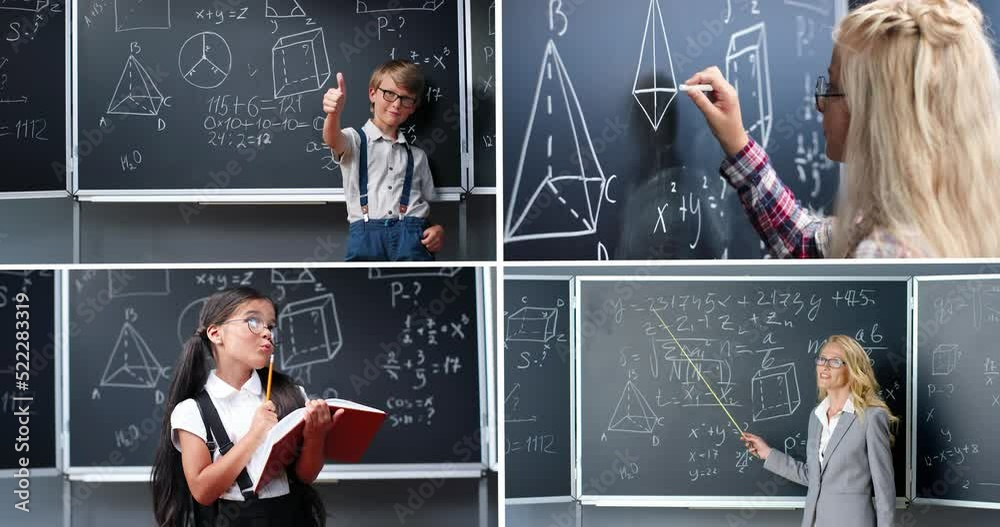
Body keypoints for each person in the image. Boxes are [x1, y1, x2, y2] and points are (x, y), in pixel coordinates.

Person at [686, 0, 1000, 257]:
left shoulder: (886, 254)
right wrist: (738, 144)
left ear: (876, 114)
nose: (820, 104)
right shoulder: (949, 217)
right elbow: (806, 245)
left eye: (834, 87)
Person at [151, 287, 341, 526]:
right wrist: (254, 435)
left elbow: (305, 475)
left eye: (270, 326)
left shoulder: (291, 395)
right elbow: (203, 490)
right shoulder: (192, 410)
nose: (267, 333)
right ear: (216, 333)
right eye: (253, 321)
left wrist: (316, 436)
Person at [741, 335, 897, 527]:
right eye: (822, 359)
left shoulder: (871, 417)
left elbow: (885, 490)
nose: (824, 366)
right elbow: (815, 477)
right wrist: (768, 454)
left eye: (835, 361)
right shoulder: (817, 416)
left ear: (853, 369)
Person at [322, 59, 445, 261]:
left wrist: (436, 228)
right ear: (373, 93)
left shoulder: (417, 156)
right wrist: (333, 114)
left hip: (413, 238)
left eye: (406, 99)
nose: (396, 104)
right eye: (389, 94)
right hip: (365, 237)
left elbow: (420, 205)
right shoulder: (354, 140)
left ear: (413, 107)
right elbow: (332, 139)